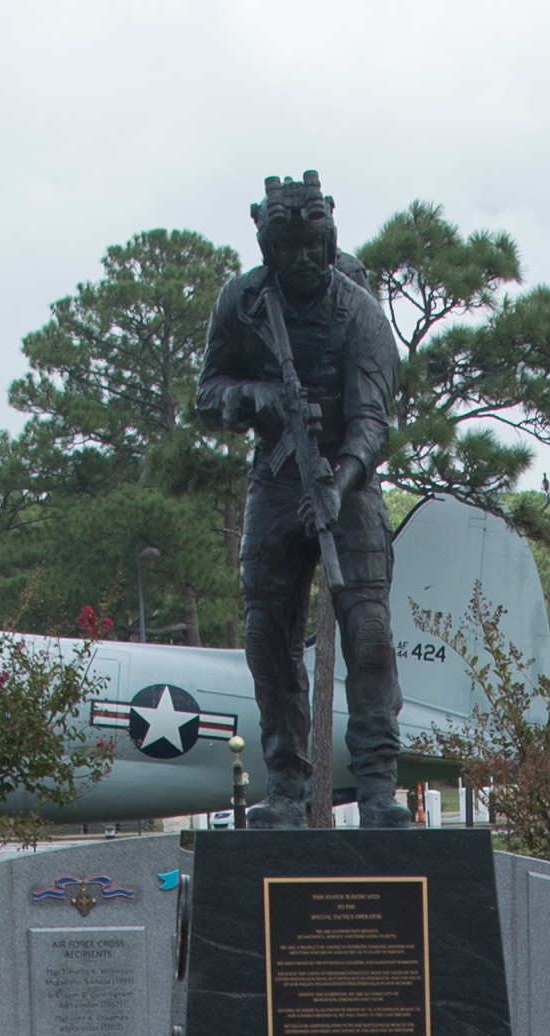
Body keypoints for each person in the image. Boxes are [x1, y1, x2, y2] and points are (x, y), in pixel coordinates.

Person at [193, 173, 406, 830]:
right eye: (290, 248)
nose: (307, 260)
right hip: (277, 482)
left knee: (367, 633)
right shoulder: (243, 302)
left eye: (317, 245)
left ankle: (376, 789)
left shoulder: (359, 313)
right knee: (264, 635)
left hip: (348, 482)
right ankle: (285, 784)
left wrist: (337, 488)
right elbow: (208, 394)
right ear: (269, 250)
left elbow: (374, 421)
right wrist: (257, 398)